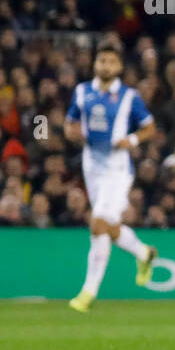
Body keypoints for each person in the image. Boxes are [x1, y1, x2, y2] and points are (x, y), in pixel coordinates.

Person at [64, 45, 158, 311]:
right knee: (109, 226)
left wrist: (132, 139)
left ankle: (88, 292)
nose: (105, 65)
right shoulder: (82, 91)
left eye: (111, 61)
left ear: (118, 68)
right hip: (91, 166)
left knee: (97, 224)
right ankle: (144, 253)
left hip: (117, 169)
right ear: (95, 63)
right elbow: (70, 121)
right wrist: (71, 132)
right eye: (102, 60)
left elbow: (150, 127)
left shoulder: (129, 96)